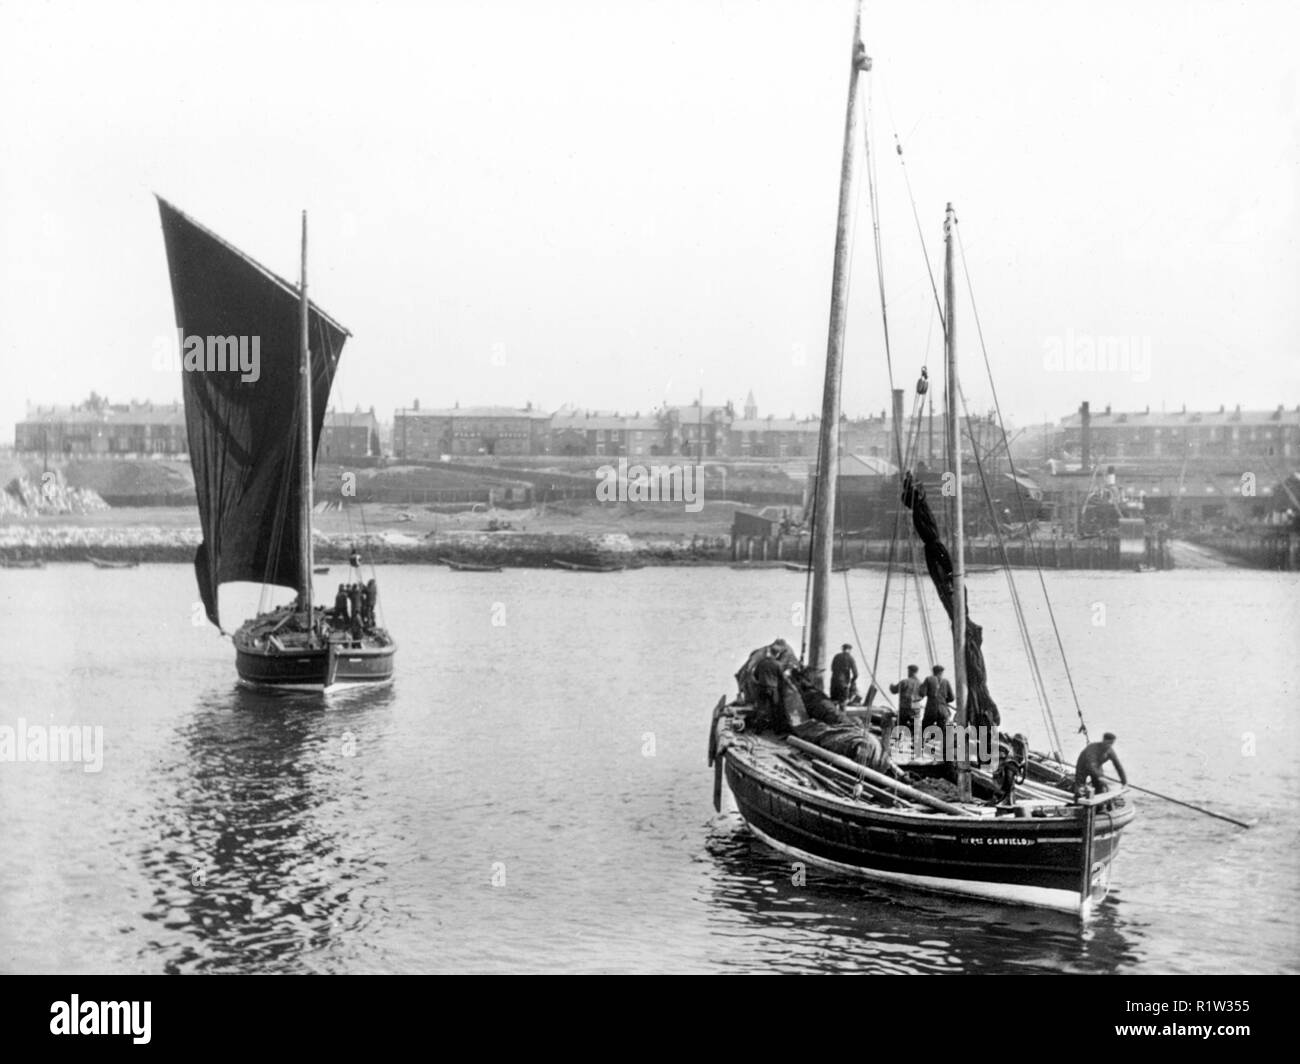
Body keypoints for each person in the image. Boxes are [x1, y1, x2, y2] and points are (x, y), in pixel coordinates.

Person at [1074, 733, 1127, 797]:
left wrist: (1124, 782)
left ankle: (1099, 803)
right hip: (1083, 766)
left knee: (1100, 787)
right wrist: (1100, 776)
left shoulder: (1110, 751)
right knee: (1080, 789)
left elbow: (1118, 767)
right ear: (1103, 741)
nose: (1109, 746)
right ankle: (1077, 799)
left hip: (1097, 766)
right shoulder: (1093, 748)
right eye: (1108, 743)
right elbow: (1091, 764)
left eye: (1111, 744)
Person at [918, 665, 955, 730]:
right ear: (942, 672)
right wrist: (943, 700)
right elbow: (952, 698)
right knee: (942, 731)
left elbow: (922, 693)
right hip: (943, 710)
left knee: (925, 729)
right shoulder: (946, 681)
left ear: (933, 672)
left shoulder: (928, 679)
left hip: (931, 709)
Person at [889, 664, 922, 731]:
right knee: (915, 728)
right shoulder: (921, 683)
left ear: (910, 671)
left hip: (904, 708)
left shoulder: (905, 682)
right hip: (916, 709)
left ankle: (898, 739)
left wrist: (891, 685)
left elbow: (894, 690)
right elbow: (923, 695)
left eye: (908, 671)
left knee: (899, 726)